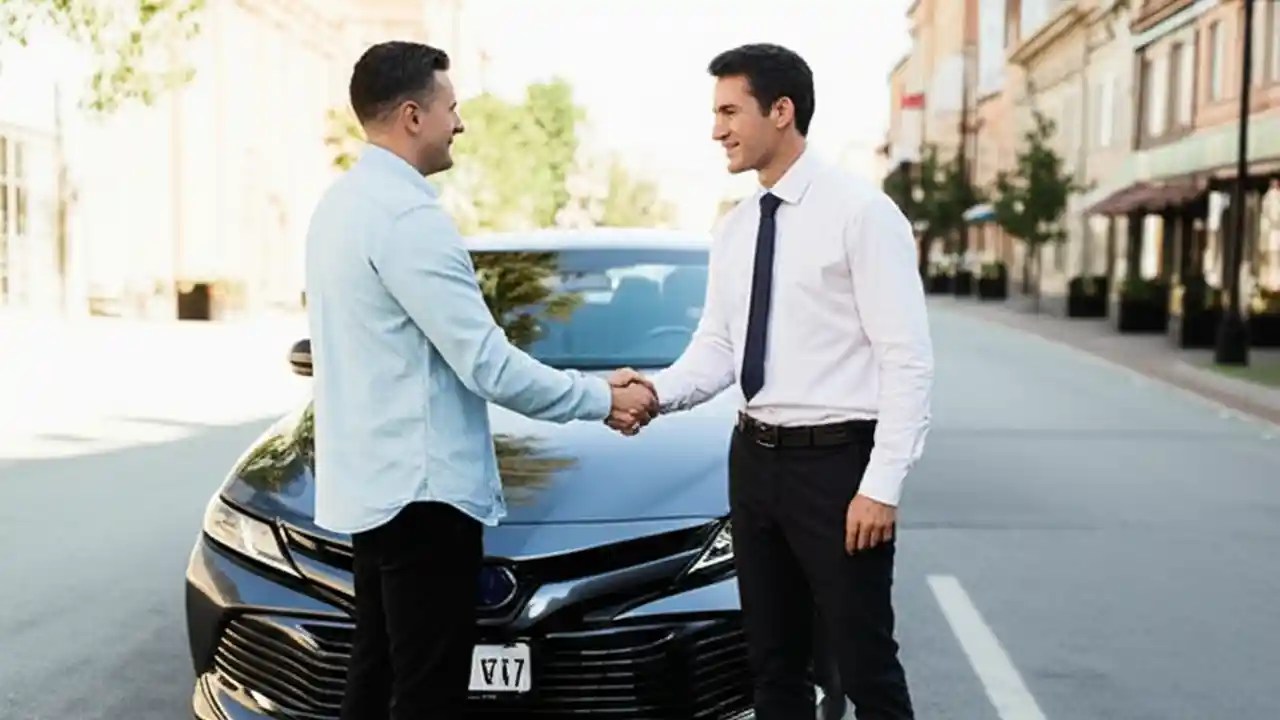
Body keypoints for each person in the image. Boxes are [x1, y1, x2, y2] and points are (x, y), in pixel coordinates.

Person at [304, 41, 656, 720]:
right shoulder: (410, 220)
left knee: (375, 678)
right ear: (412, 115)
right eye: (450, 107)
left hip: (372, 492)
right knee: (428, 693)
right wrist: (601, 399)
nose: (459, 123)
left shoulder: (339, 207)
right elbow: (488, 364)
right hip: (423, 497)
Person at [613, 43, 933, 719]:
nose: (716, 129)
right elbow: (719, 349)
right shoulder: (734, 229)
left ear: (781, 111)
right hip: (753, 463)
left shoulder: (861, 215)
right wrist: (656, 393)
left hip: (838, 467)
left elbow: (907, 358)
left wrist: (880, 485)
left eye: (730, 111)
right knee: (772, 664)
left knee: (864, 662)